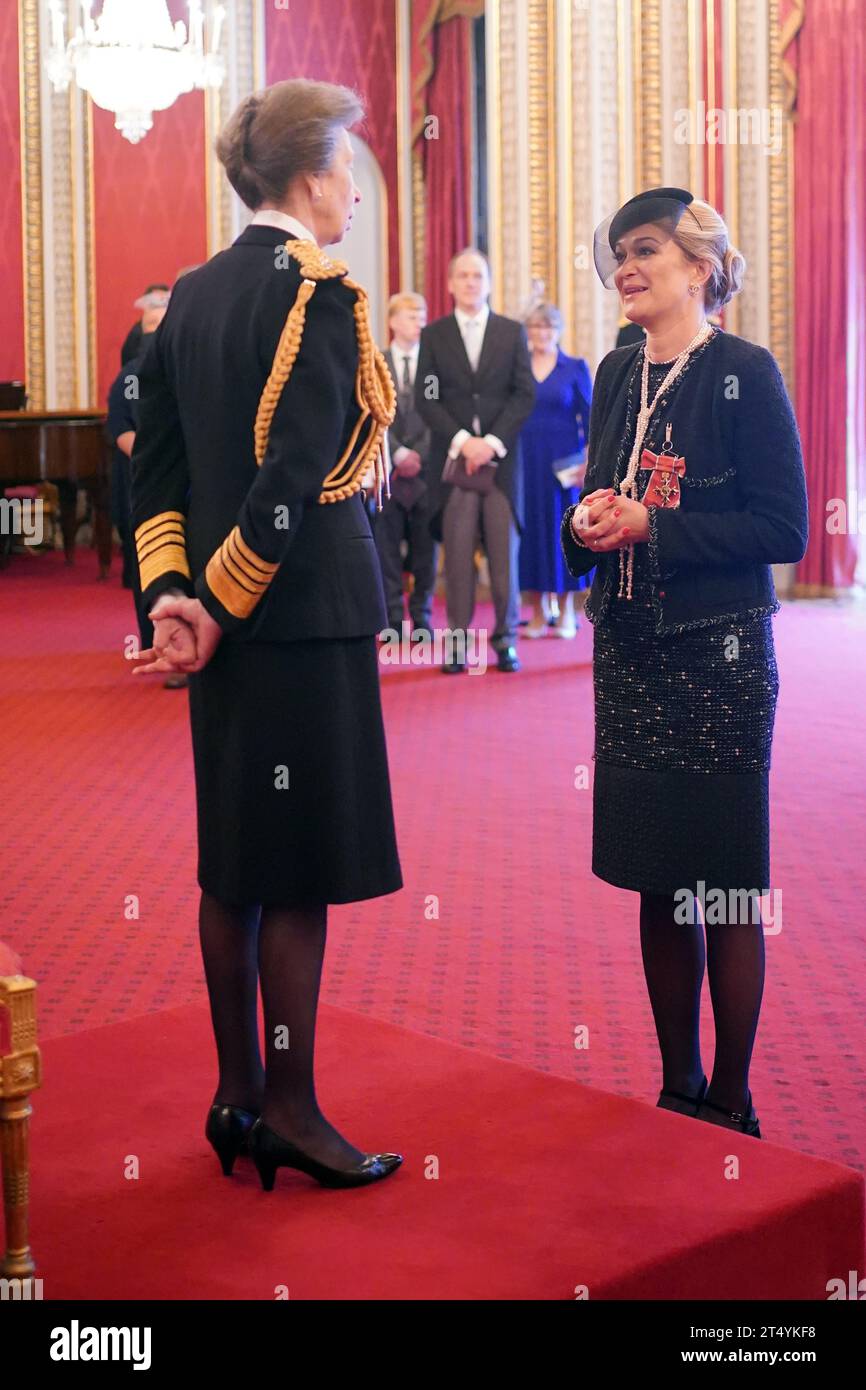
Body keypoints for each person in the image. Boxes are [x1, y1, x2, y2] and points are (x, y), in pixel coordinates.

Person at [129, 78, 403, 1192]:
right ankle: (288, 1107)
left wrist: (177, 603)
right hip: (298, 621)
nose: (353, 187)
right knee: (293, 877)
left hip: (224, 633)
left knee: (232, 865)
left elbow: (155, 473)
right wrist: (226, 605)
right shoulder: (320, 293)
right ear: (306, 174)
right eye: (346, 166)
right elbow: (291, 484)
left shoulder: (188, 294)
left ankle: (236, 1092)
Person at [561, 188, 808, 1137]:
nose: (627, 266)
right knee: (660, 879)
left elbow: (781, 526)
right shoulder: (618, 370)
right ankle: (677, 1087)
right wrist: (588, 523)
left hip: (720, 659)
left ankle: (732, 1098)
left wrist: (652, 524)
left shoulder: (746, 369)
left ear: (699, 267)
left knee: (728, 883)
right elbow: (597, 494)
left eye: (647, 250)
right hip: (628, 657)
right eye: (620, 252)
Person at [416, 249, 536, 673]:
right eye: (463, 275)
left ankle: (506, 642)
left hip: (500, 467)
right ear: (450, 284)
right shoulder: (433, 336)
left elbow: (525, 393)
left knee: (504, 559)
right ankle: (458, 645)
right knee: (459, 557)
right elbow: (426, 397)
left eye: (478, 275)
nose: (470, 282)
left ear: (488, 282)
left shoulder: (511, 332)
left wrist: (491, 443)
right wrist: (465, 441)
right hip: (453, 467)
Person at [518, 302, 593, 638]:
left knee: (561, 534)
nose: (541, 334)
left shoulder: (575, 367)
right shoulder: (517, 367)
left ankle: (565, 611)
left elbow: (591, 419)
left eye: (547, 327)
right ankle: (536, 611)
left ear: (558, 331)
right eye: (535, 327)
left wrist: (589, 461)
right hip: (525, 463)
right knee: (530, 534)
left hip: (564, 466)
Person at [375, 292, 437, 637]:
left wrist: (419, 454)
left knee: (425, 550)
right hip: (388, 472)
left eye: (423, 316)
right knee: (387, 549)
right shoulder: (376, 363)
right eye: (413, 317)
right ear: (394, 321)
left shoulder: (434, 365)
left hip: (427, 473)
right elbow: (374, 415)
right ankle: (393, 618)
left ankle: (422, 617)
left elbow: (439, 415)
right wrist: (397, 453)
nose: (420, 323)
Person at [120, 286, 170, 366]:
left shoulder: (172, 331)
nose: (161, 308)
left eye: (165, 303)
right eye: (156, 304)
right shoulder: (137, 333)